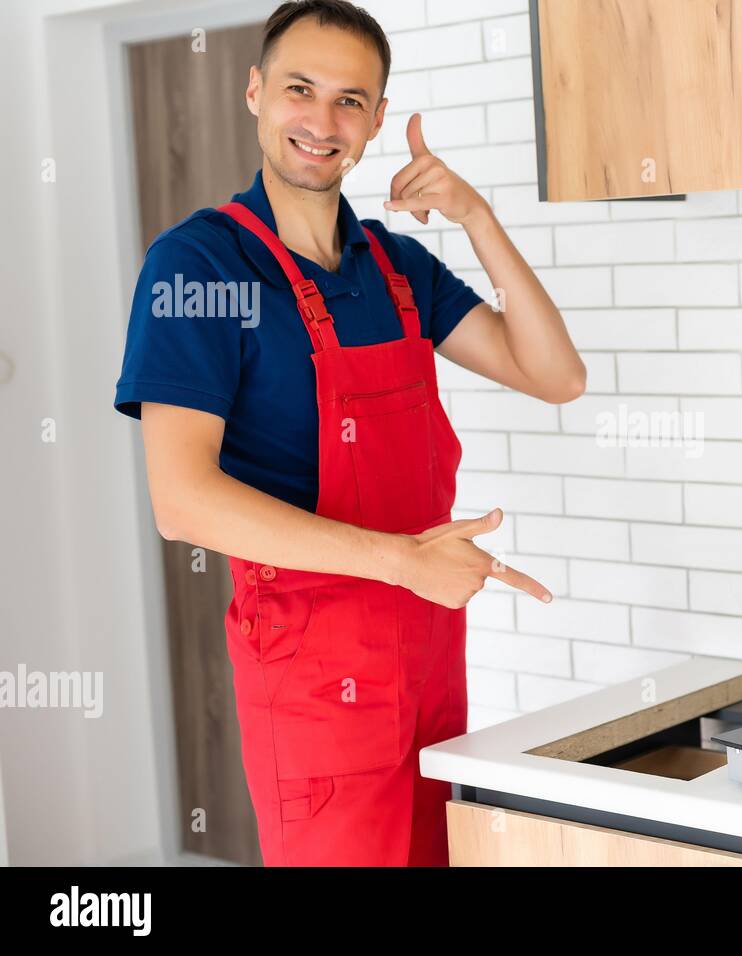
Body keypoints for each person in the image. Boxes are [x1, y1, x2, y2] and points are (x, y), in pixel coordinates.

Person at [113, 0, 585, 866]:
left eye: (350, 101)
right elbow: (181, 502)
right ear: (255, 92)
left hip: (431, 661)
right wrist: (405, 561)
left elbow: (556, 375)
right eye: (300, 89)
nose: (321, 122)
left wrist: (478, 216)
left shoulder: (394, 266)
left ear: (374, 119)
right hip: (313, 683)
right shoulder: (199, 267)